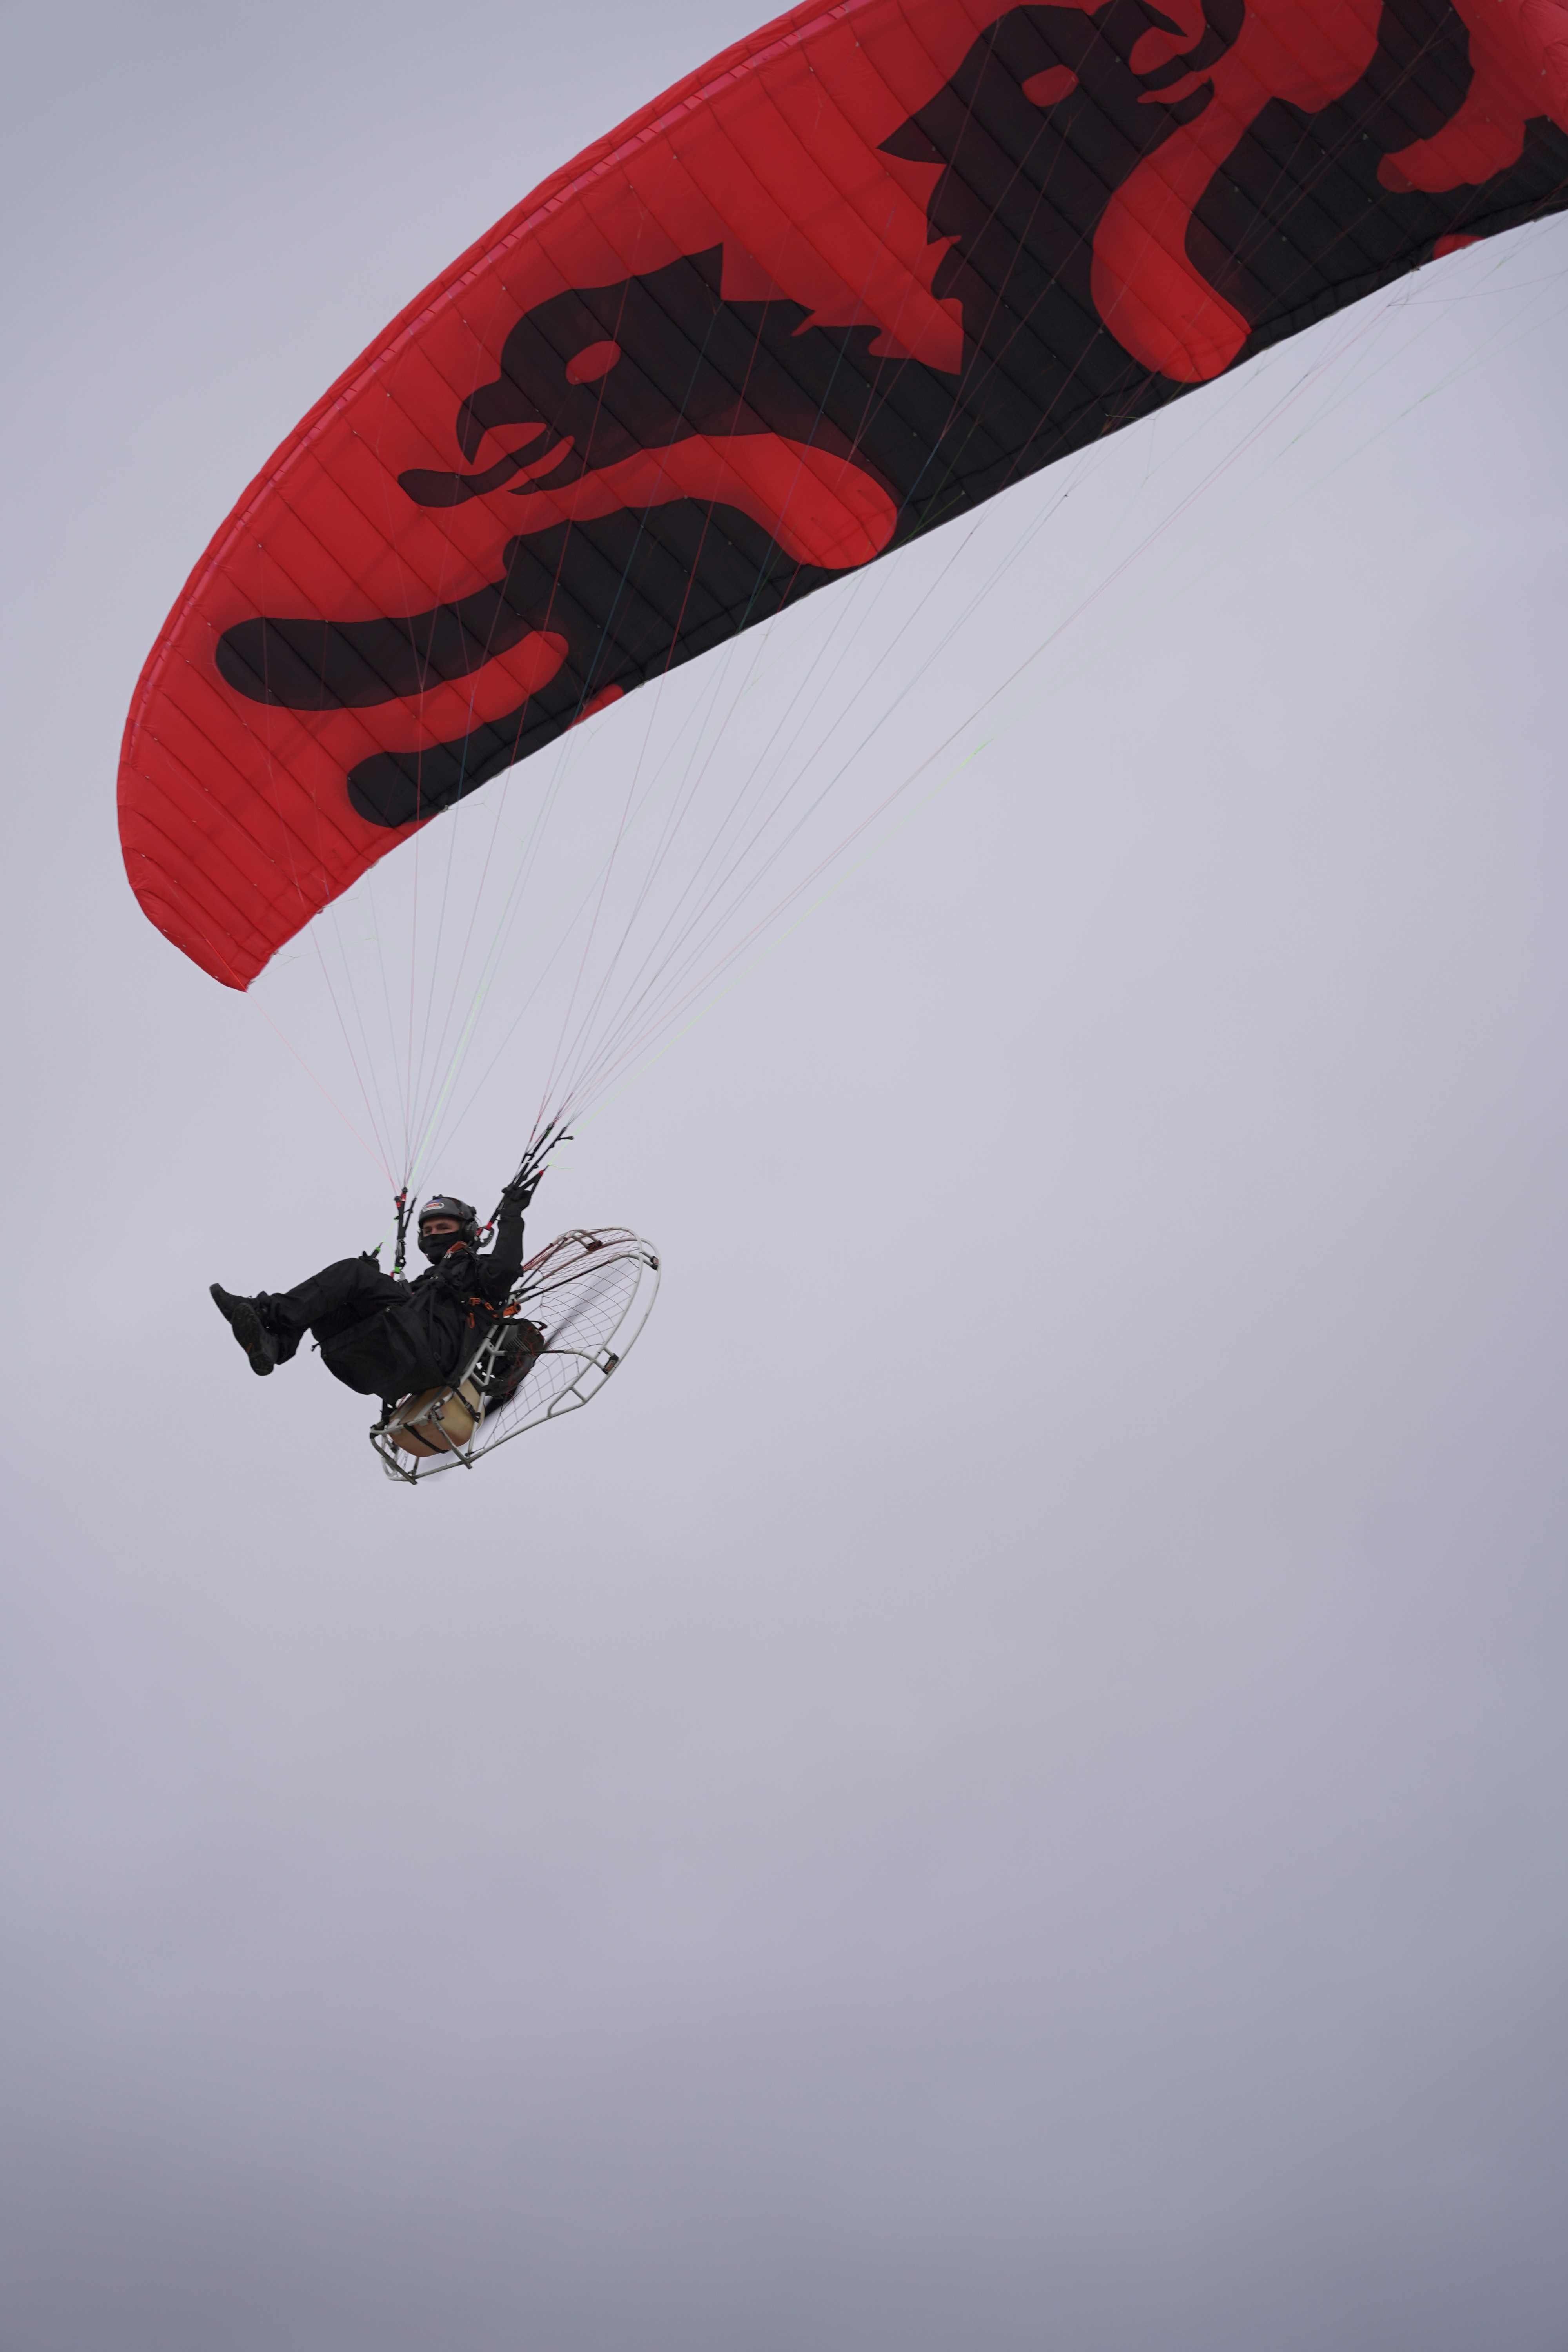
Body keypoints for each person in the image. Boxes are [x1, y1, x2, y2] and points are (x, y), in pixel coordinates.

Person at [210, 1182, 534, 1406]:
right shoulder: (424, 1284)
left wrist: (512, 1215)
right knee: (333, 1300)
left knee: (352, 1272)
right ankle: (276, 1343)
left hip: (433, 1350)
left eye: (443, 1229)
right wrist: (373, 1283)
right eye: (428, 1231)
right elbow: (400, 1305)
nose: (434, 1234)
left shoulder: (481, 1271)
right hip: (386, 1357)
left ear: (465, 1231)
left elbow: (506, 1269)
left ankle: (268, 1315)